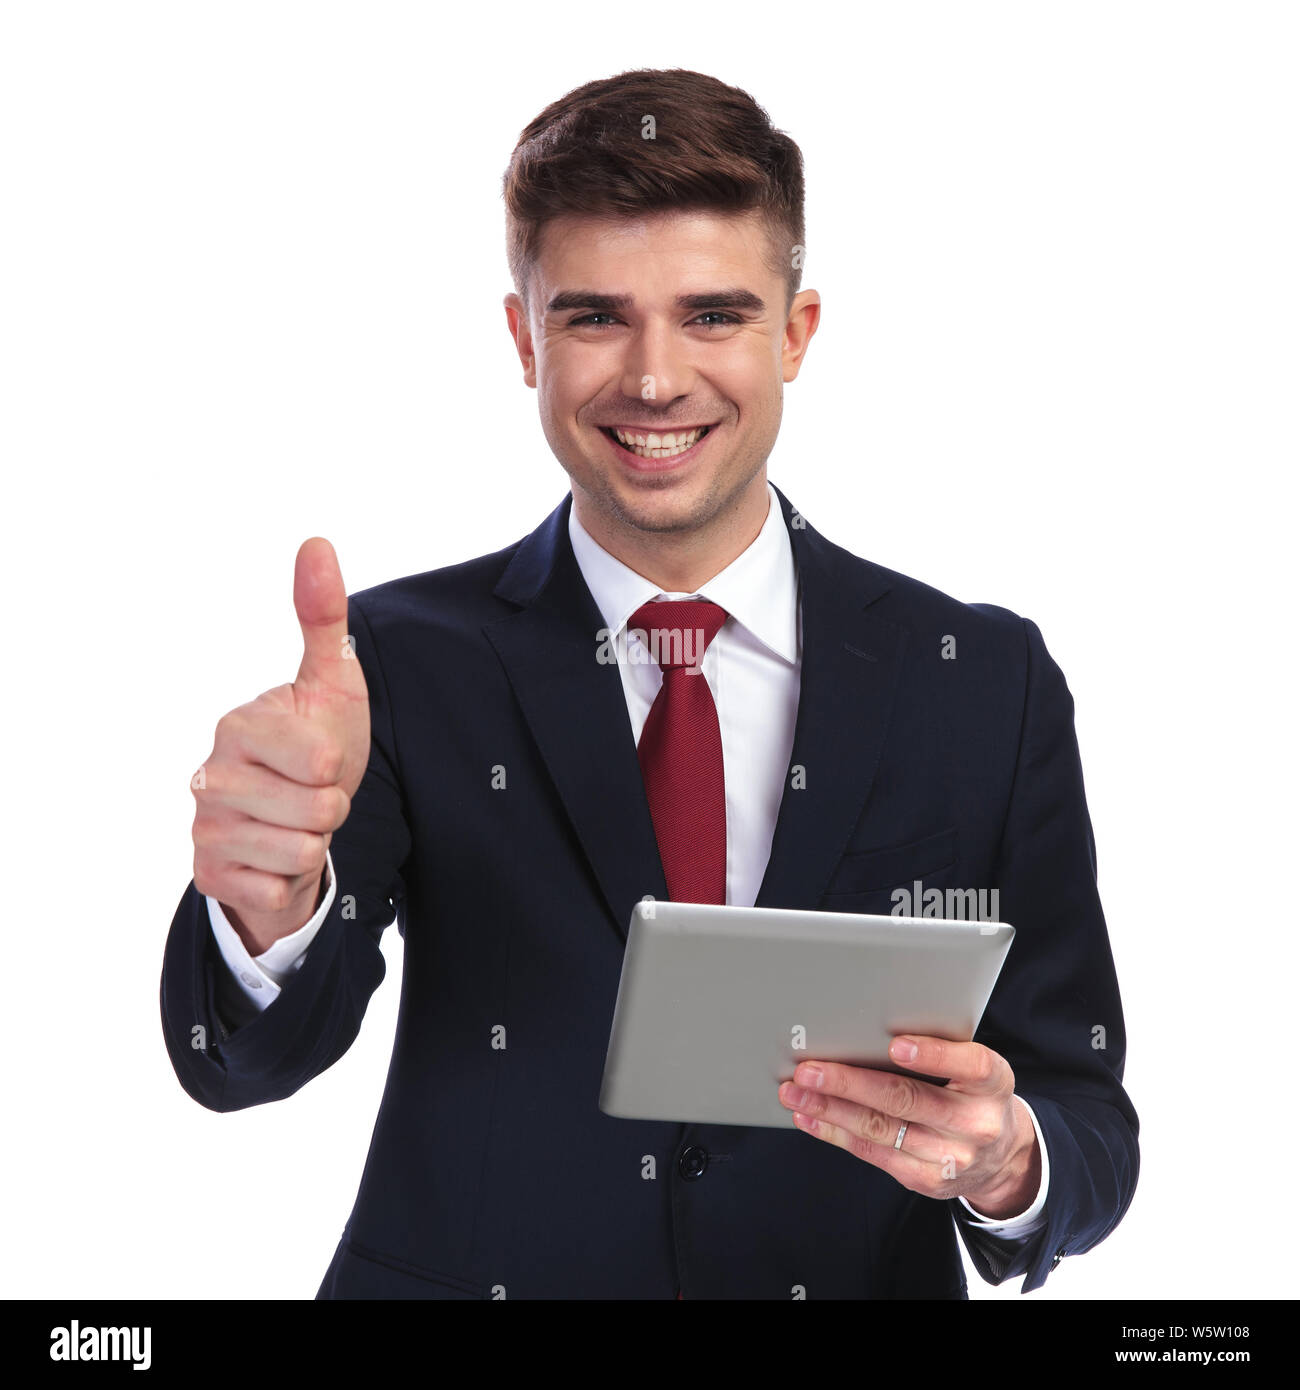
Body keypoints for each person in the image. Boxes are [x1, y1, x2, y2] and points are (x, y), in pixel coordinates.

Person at [160, 68, 1138, 1299]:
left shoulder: (982, 681)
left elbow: (1085, 1113)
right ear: (524, 339)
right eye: (595, 318)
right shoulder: (394, 664)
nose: (656, 378)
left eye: (716, 316)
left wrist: (1008, 1160)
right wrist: (264, 908)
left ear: (796, 332)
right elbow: (239, 1064)